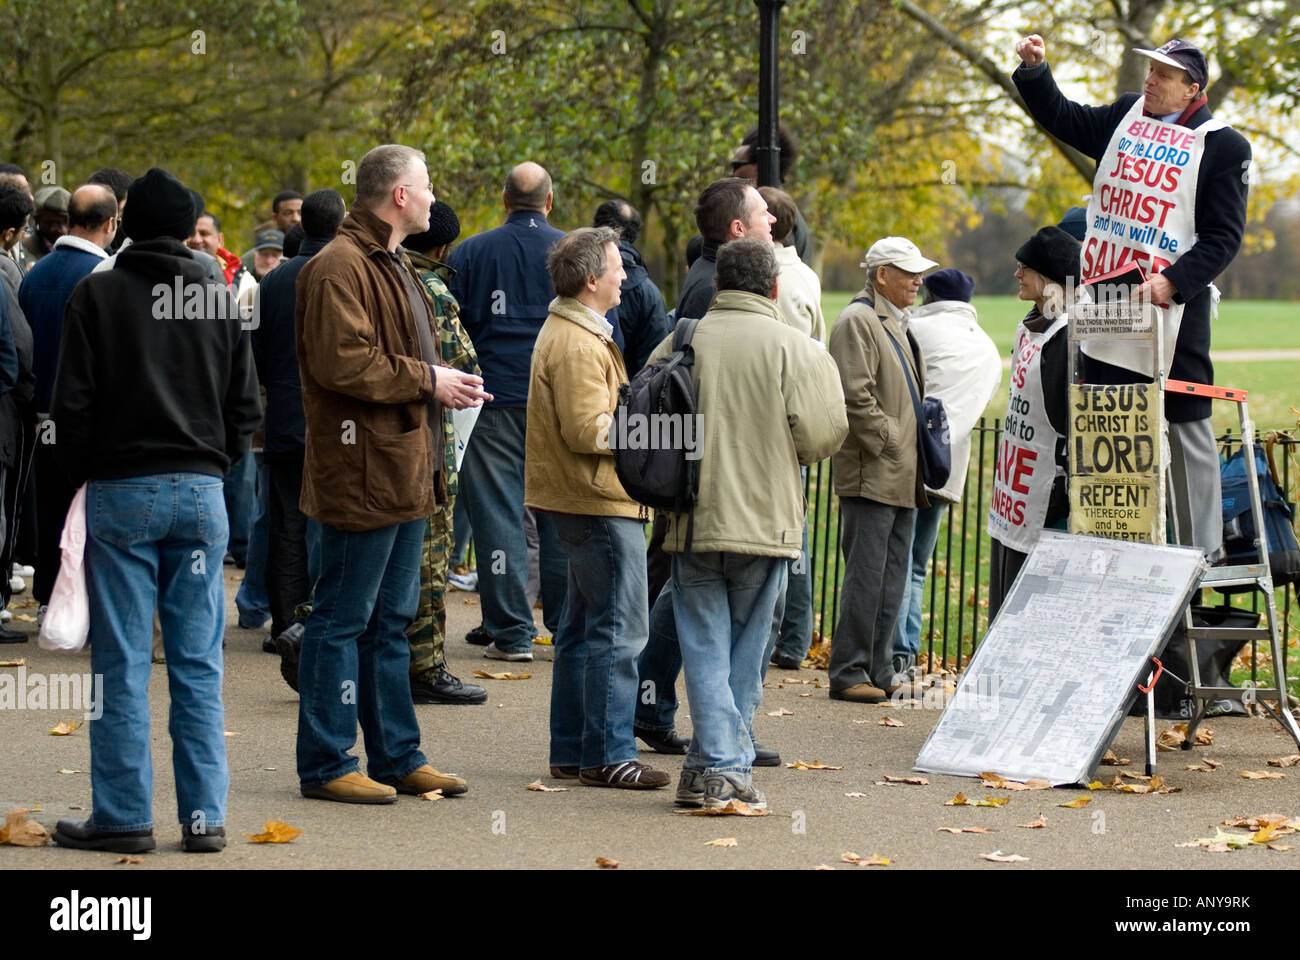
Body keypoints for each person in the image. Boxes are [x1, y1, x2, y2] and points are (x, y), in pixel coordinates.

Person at [49, 167, 261, 853]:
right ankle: (204, 818)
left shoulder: (99, 294)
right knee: (198, 663)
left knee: (121, 665)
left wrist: (85, 478)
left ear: (128, 223)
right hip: (200, 493)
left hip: (123, 490)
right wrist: (214, 465)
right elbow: (245, 408)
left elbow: (71, 409)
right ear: (186, 226)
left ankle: (123, 814)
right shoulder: (218, 297)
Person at [294, 144, 489, 804]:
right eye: (426, 186)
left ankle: (398, 757)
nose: (435, 197)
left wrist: (447, 383)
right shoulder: (337, 267)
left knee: (391, 623)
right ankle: (325, 763)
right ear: (399, 197)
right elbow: (344, 363)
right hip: (361, 475)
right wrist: (430, 380)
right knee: (341, 619)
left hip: (408, 470)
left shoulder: (397, 263)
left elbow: (398, 362)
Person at [1013, 34, 1250, 557]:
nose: (1150, 80)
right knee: (1108, 423)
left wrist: (1171, 282)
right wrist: (1036, 71)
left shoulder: (1224, 145)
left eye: (1164, 75)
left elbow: (1223, 237)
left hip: (1172, 314)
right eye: (1150, 70)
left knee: (1183, 426)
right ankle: (1111, 550)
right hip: (1106, 309)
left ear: (1193, 88)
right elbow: (1065, 118)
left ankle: (1198, 557)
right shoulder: (1125, 116)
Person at [650, 238, 847, 808]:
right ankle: (724, 767)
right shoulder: (798, 349)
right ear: (775, 287)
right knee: (745, 650)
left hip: (691, 520)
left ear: (718, 285)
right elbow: (821, 438)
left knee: (703, 645)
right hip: (767, 523)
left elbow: (645, 419)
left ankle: (707, 764)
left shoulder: (680, 340)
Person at [525, 225, 672, 789]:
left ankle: (576, 751)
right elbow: (589, 430)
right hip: (598, 501)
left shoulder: (571, 329)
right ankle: (611, 754)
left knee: (584, 629)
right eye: (617, 269)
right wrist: (661, 432)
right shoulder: (580, 342)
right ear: (592, 280)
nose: (626, 277)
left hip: (580, 497)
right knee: (619, 631)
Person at [634, 177, 776, 756]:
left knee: (682, 596)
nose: (773, 219)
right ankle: (719, 734)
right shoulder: (705, 296)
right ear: (737, 229)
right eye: (763, 212)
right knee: (695, 605)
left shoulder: (705, 284)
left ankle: (662, 707)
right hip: (706, 481)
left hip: (702, 479)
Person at [447, 162, 567, 661]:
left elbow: (453, 326)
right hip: (557, 398)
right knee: (561, 513)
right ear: (550, 200)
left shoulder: (472, 252)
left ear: (504, 200)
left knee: (497, 514)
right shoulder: (572, 252)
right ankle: (565, 625)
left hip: (494, 397)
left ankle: (512, 631)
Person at [827, 236, 936, 703]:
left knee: (891, 576)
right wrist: (892, 441)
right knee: (868, 576)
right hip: (874, 471)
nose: (918, 280)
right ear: (881, 274)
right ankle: (850, 671)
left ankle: (877, 669)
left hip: (898, 472)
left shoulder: (890, 320)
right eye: (908, 271)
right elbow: (854, 396)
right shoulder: (859, 320)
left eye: (919, 272)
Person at [253, 189, 344, 688]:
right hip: (334, 424)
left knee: (287, 526)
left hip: (286, 419)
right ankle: (320, 620)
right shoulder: (346, 273)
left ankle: (285, 622)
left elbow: (259, 354)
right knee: (333, 524)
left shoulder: (275, 280)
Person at [892, 268, 1001, 679]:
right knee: (918, 564)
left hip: (908, 457)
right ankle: (907, 651)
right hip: (948, 465)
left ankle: (893, 653)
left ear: (931, 296)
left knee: (896, 560)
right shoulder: (987, 348)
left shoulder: (917, 329)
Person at [400, 200, 488, 706]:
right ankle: (426, 668)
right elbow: (463, 363)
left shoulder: (377, 274)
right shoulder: (431, 287)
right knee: (431, 555)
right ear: (443, 247)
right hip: (429, 439)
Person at [18, 184, 119, 621]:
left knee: (50, 508)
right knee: (89, 514)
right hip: (88, 416)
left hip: (39, 412)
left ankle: (48, 601)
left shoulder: (34, 274)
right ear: (111, 224)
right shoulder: (106, 276)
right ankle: (86, 605)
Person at [986, 226, 1081, 619]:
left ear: (1048, 279)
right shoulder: (1030, 325)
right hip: (1015, 497)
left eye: (1023, 267)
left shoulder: (1067, 335)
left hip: (1047, 498)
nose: (1016, 275)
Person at [591, 199, 671, 374]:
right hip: (632, 393)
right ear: (634, 235)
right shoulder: (649, 293)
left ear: (595, 227)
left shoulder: (577, 278)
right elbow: (655, 362)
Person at [727, 123, 815, 265]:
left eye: (736, 165)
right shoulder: (779, 207)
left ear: (757, 168)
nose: (731, 173)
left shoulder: (772, 210)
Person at [20, 186, 70, 268]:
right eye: (50, 223)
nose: (60, 229)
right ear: (37, 220)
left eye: (65, 222)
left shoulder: (81, 248)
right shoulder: (24, 250)